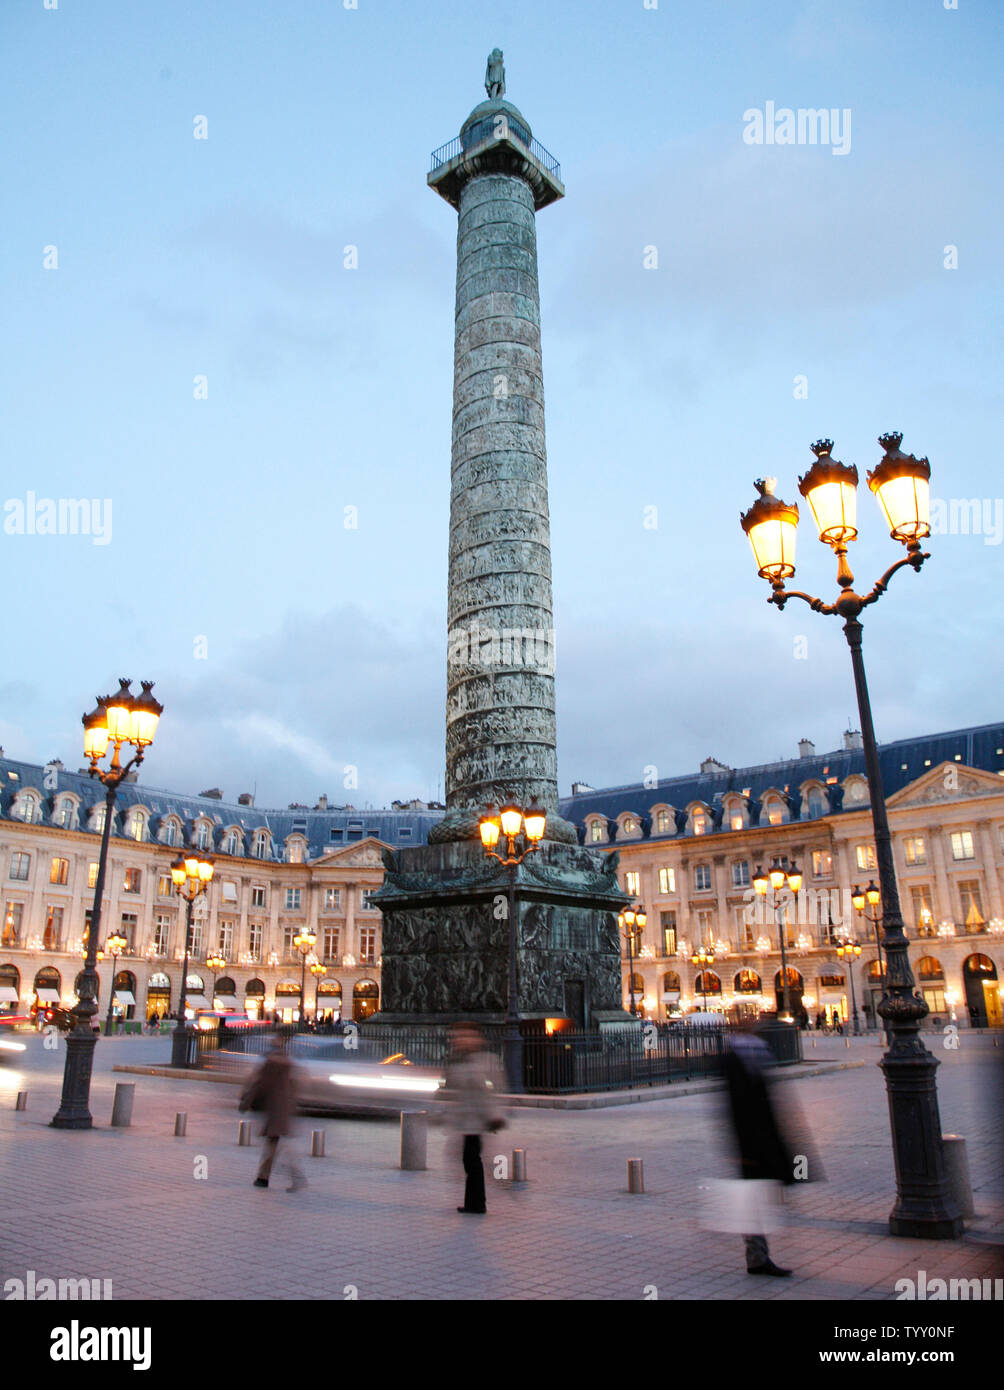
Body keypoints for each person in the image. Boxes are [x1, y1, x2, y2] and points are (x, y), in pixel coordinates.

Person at [722, 1026, 797, 1277]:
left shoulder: (751, 1054)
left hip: (758, 1142)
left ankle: (757, 1254)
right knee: (754, 1197)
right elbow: (737, 1106)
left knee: (756, 1195)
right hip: (752, 1143)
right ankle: (756, 1255)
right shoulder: (740, 1058)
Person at [440, 1023, 507, 1214]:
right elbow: (451, 1090)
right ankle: (475, 1202)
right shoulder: (458, 1060)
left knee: (472, 1161)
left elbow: (491, 1091)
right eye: (458, 1036)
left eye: (465, 1036)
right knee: (470, 1160)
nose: (459, 1040)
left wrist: (494, 1115)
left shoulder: (484, 1061)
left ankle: (477, 1204)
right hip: (465, 1121)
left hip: (476, 1121)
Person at [239, 1036, 305, 1192]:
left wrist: (245, 1102)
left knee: (273, 1144)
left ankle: (288, 1176)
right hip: (283, 1108)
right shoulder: (288, 1062)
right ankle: (264, 1177)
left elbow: (260, 1084)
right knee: (274, 1142)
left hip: (273, 1109)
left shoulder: (270, 1063)